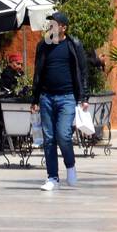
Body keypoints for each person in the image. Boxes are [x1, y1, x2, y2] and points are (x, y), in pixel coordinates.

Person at [30, 11, 89, 191]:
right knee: (49, 139)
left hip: (67, 97)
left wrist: (84, 97)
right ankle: (52, 178)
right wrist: (35, 98)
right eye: (50, 24)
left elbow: (83, 72)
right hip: (46, 97)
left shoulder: (74, 45)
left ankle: (70, 166)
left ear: (63, 27)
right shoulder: (43, 46)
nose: (51, 26)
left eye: (55, 24)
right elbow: (37, 73)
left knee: (63, 135)